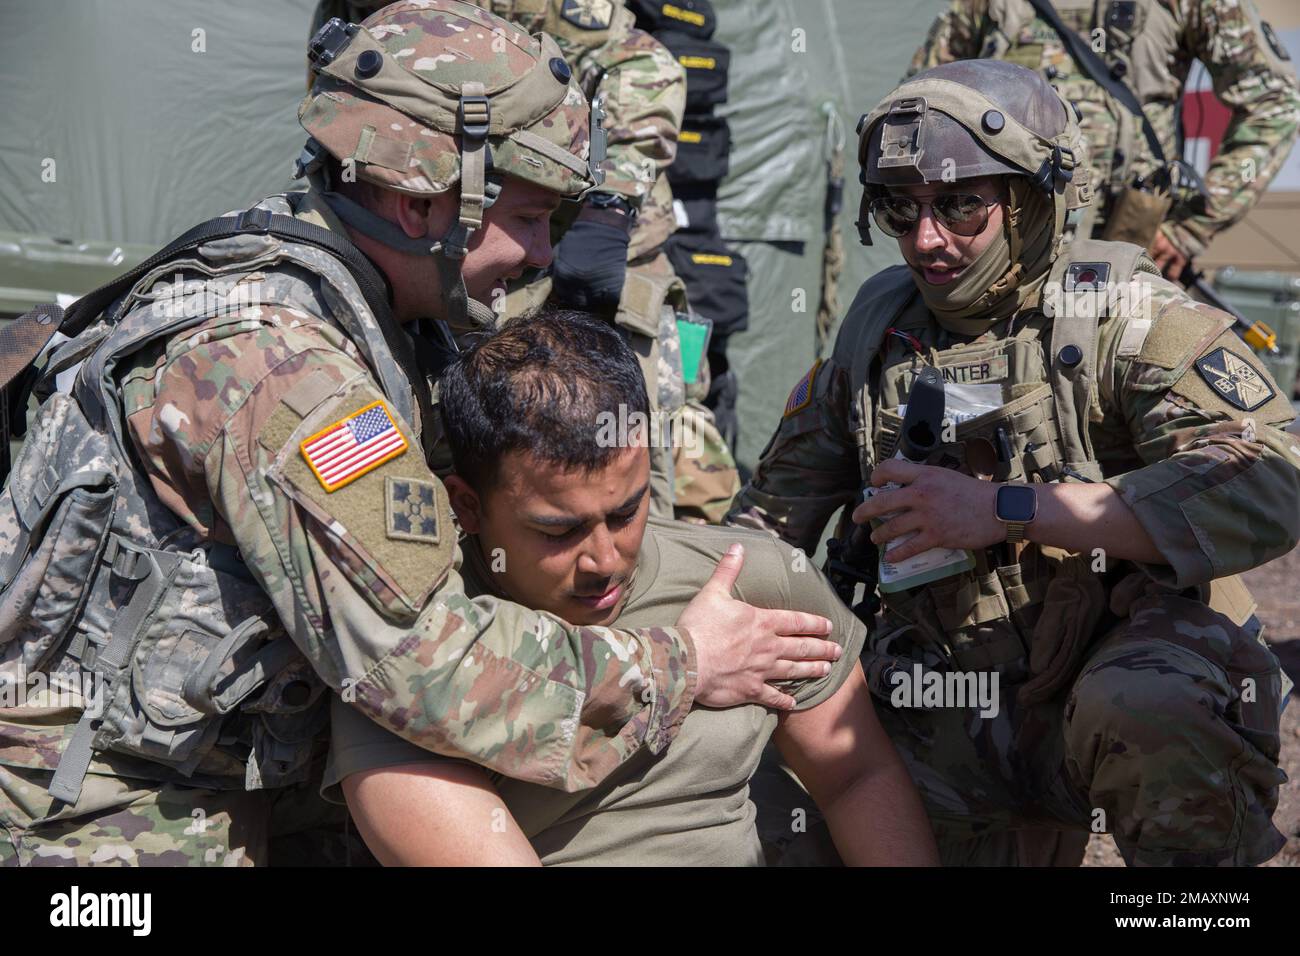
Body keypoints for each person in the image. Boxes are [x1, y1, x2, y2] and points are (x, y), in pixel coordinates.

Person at [0, 1, 840, 866]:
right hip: (108, 816)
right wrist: (682, 663)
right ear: (417, 205)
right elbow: (428, 670)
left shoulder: (365, 310)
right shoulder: (288, 371)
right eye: (528, 216)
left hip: (234, 774)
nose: (545, 254)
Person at [728, 58, 1300, 866]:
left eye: (962, 204)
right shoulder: (875, 334)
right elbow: (765, 527)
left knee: (1154, 702)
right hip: (937, 706)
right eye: (900, 207)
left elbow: (1270, 476)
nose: (928, 239)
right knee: (747, 766)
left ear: (1035, 200)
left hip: (1094, 701)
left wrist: (1006, 509)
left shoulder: (1120, 317)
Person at [322, 308, 937, 866]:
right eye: (558, 530)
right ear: (469, 506)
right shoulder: (419, 660)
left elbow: (855, 775)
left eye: (625, 512)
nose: (603, 559)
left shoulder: (754, 581)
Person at [310, 0, 742, 524]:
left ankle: (675, 545)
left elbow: (646, 68)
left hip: (597, 234)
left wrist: (609, 207)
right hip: (459, 235)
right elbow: (343, 106)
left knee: (640, 418)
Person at [907, 0, 1300, 280]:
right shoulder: (984, 6)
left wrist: (1192, 226)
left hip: (1124, 251)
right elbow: (920, 102)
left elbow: (1275, 103)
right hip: (999, 257)